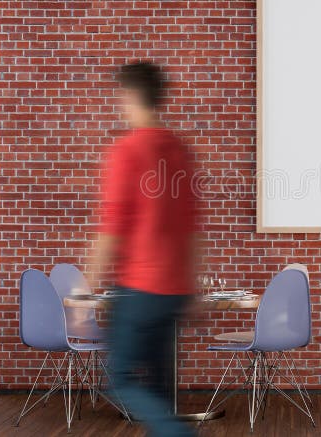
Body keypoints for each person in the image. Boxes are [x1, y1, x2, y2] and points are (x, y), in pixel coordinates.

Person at [90, 61, 197, 437]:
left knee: (119, 378)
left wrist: (85, 287)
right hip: (175, 290)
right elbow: (192, 227)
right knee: (157, 387)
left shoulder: (127, 150)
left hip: (139, 288)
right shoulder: (180, 151)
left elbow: (111, 228)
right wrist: (192, 284)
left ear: (131, 96)